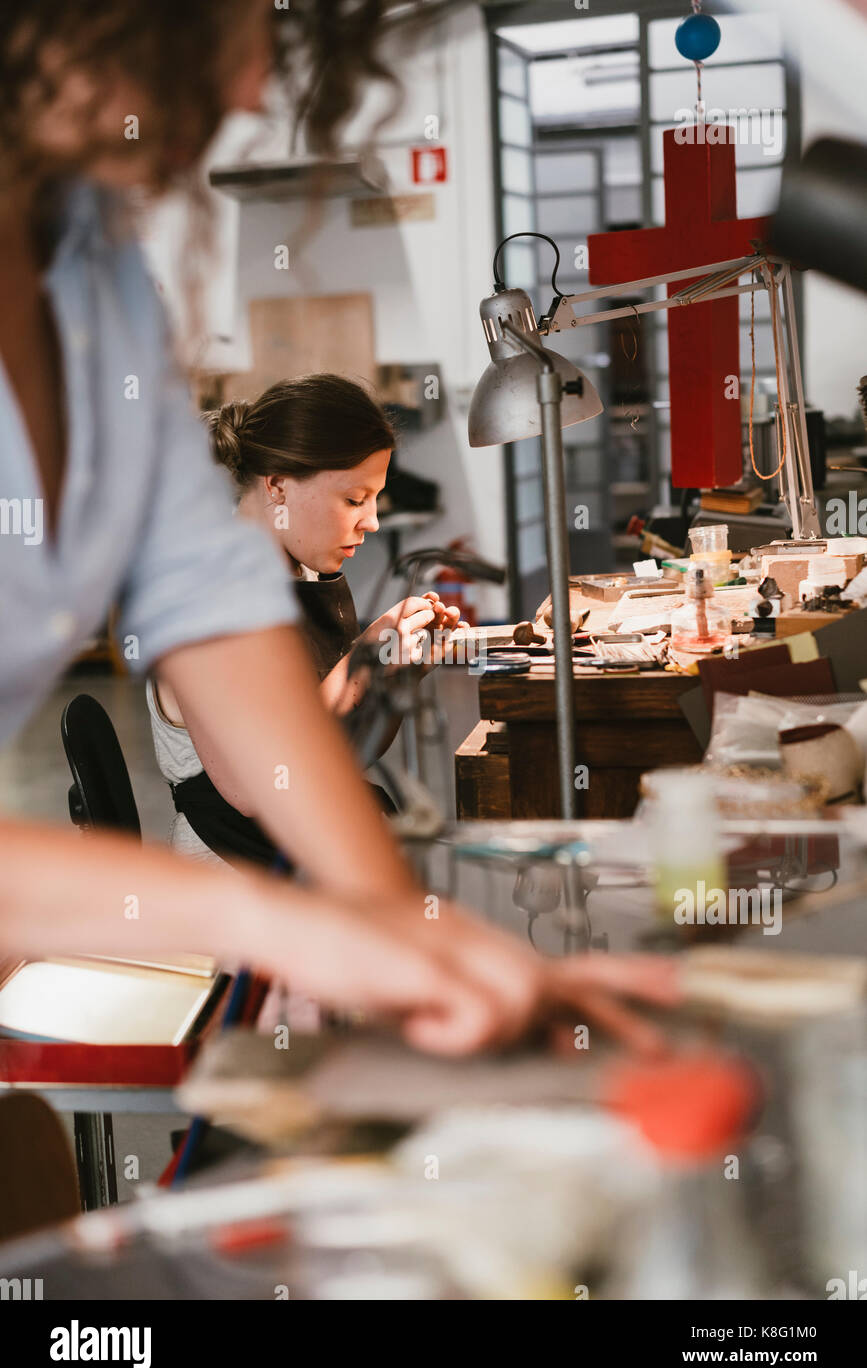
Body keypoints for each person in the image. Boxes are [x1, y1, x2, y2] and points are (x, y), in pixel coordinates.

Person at [0, 0, 679, 1057]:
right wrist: (283, 921)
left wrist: (402, 931)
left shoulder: (94, 272)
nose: (252, 91)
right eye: (220, 28)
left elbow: (209, 606)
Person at [150, 374, 466, 866]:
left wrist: (395, 670)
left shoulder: (294, 578)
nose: (372, 521)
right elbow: (253, 787)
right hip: (234, 869)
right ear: (277, 486)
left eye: (374, 499)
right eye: (353, 499)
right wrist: (367, 654)